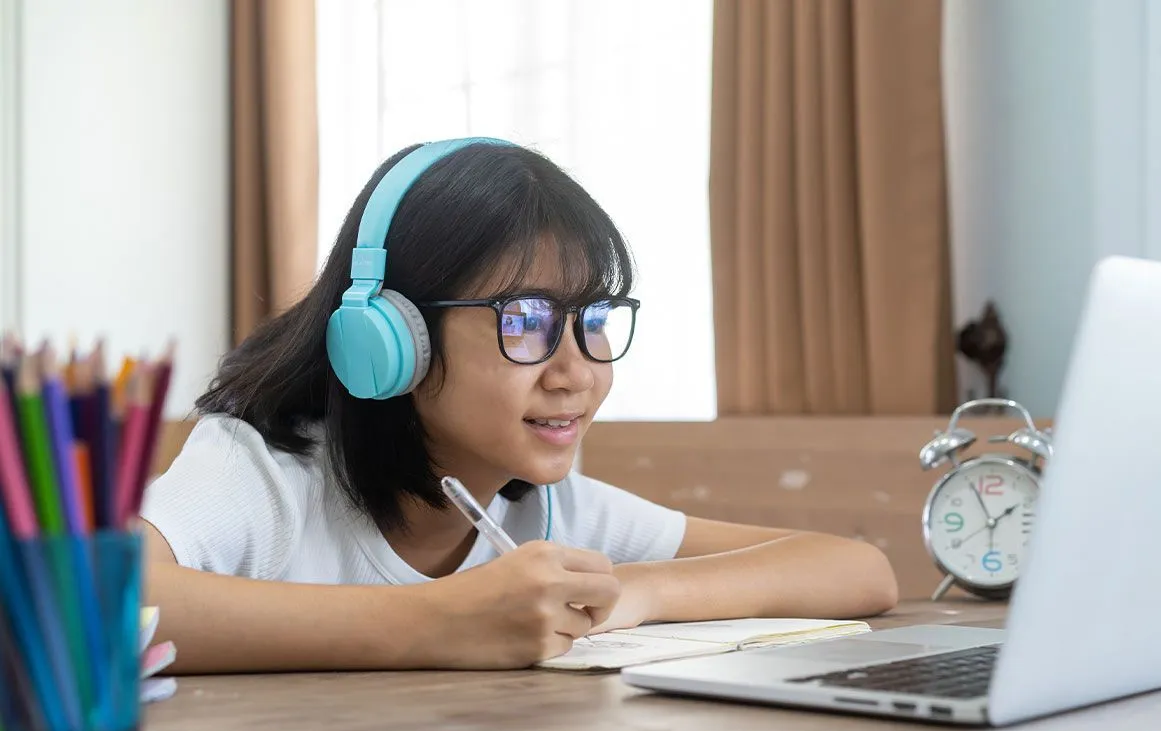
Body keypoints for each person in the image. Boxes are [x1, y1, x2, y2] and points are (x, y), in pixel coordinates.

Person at [140, 138, 898, 674]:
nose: (577, 372)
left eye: (594, 320)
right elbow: (96, 604)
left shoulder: (549, 512)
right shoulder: (265, 475)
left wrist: (633, 592)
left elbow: (857, 570)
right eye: (525, 321)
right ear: (390, 338)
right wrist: (444, 623)